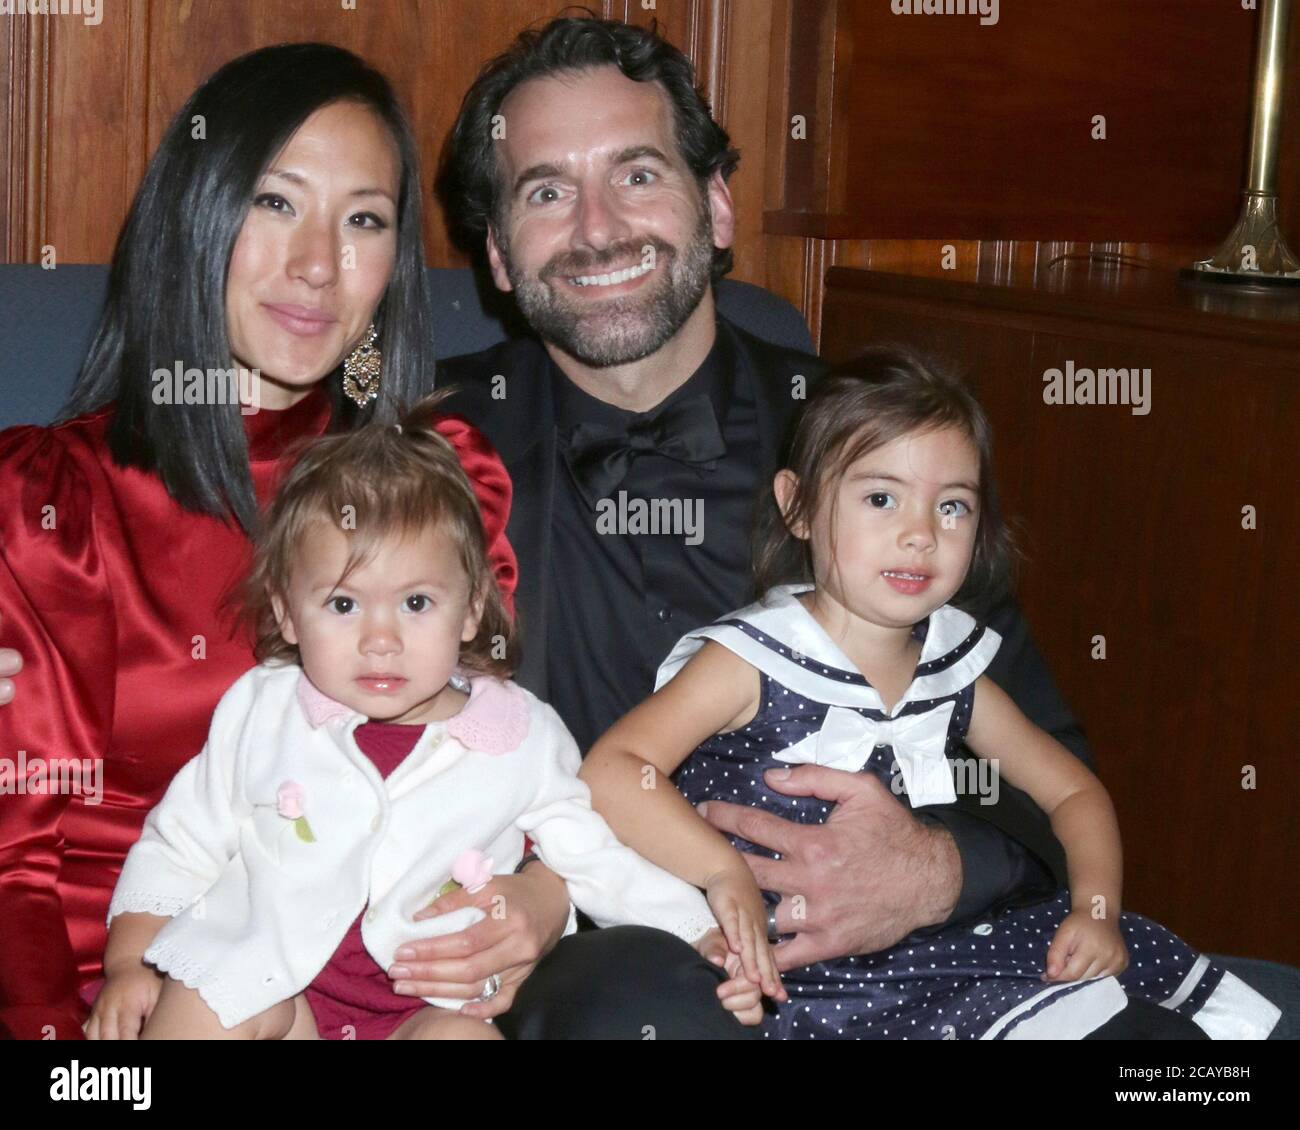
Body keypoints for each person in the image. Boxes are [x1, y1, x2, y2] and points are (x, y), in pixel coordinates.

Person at [428, 15, 1198, 1037]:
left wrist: (935, 867)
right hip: (607, 959)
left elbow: (1030, 763)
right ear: (494, 249)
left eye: (639, 174)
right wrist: (531, 882)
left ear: (714, 204)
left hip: (930, 960)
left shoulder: (882, 452)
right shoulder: (427, 459)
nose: (598, 227)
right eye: (545, 191)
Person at [0, 42, 736, 1042]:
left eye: (364, 220)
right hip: (124, 992)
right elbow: (15, 864)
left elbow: (512, 756)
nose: (316, 263)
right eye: (274, 203)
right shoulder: (52, 500)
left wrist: (542, 901)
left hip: (395, 992)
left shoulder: (441, 482)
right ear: (195, 213)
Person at [580, 348, 1282, 1039]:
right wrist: (720, 869)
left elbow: (1073, 793)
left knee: (1151, 1035)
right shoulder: (752, 659)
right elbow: (612, 770)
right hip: (790, 972)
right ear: (796, 506)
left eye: (952, 507)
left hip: (937, 948)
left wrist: (1096, 908)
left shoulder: (955, 666)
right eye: (881, 498)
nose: (920, 535)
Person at [85, 394, 750, 1040]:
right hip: (275, 992)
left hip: (420, 1008)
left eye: (417, 603)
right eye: (344, 606)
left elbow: (598, 860)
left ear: (471, 611)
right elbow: (182, 841)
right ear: (287, 614)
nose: (381, 640)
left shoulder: (521, 735)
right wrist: (130, 963)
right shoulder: (263, 709)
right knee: (205, 1000)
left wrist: (699, 933)